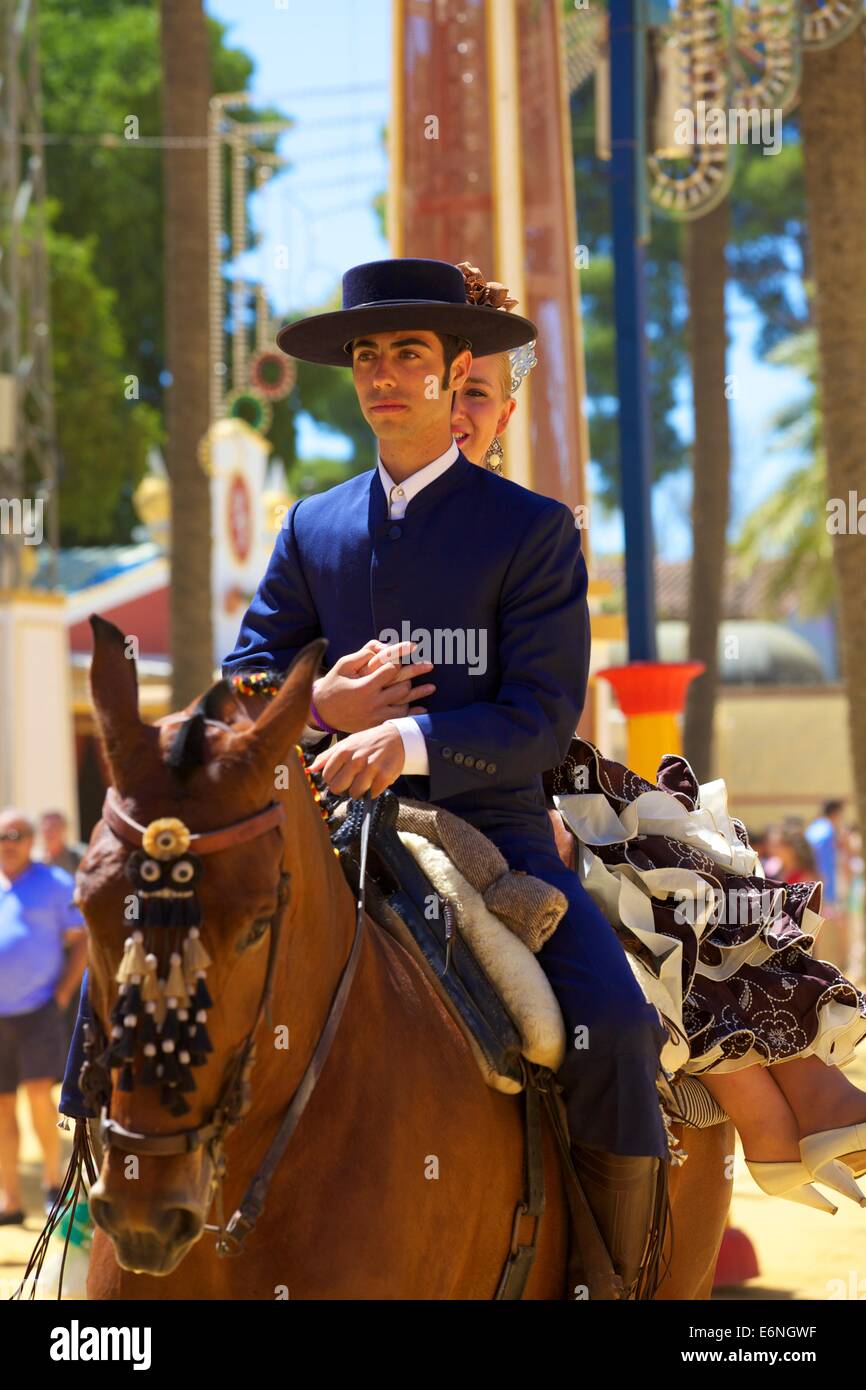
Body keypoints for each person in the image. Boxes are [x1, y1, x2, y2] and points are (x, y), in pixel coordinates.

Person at [218, 256, 671, 1300]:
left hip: (494, 834)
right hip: (324, 834)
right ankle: (88, 1198)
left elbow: (538, 718)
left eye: (408, 356)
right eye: (366, 357)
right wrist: (322, 706)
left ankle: (608, 1283)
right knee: (163, 946)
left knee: (611, 1027)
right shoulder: (310, 528)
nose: (383, 375)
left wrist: (405, 742)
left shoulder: (532, 532)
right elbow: (244, 687)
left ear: (453, 369)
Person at [443, 262, 866, 1220]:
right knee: (619, 867)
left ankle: (782, 1102)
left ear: (506, 413)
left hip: (529, 767)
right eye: (451, 388)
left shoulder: (528, 530)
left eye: (481, 394)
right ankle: (776, 1107)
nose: (462, 410)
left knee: (660, 863)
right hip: (429, 781)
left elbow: (544, 690)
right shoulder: (352, 523)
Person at [0, 808, 87, 1222]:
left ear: (30, 840)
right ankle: (10, 1200)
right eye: (1, 836)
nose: (7, 843)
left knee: (39, 1095)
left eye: (15, 835)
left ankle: (53, 1184)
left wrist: (64, 992)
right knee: (1, 1108)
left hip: (39, 1010)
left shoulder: (55, 883)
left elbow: (81, 937)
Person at [37, 810, 82, 877]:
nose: (50, 832)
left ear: (64, 829)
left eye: (54, 826)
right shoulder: (35, 860)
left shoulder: (78, 857)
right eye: (46, 828)